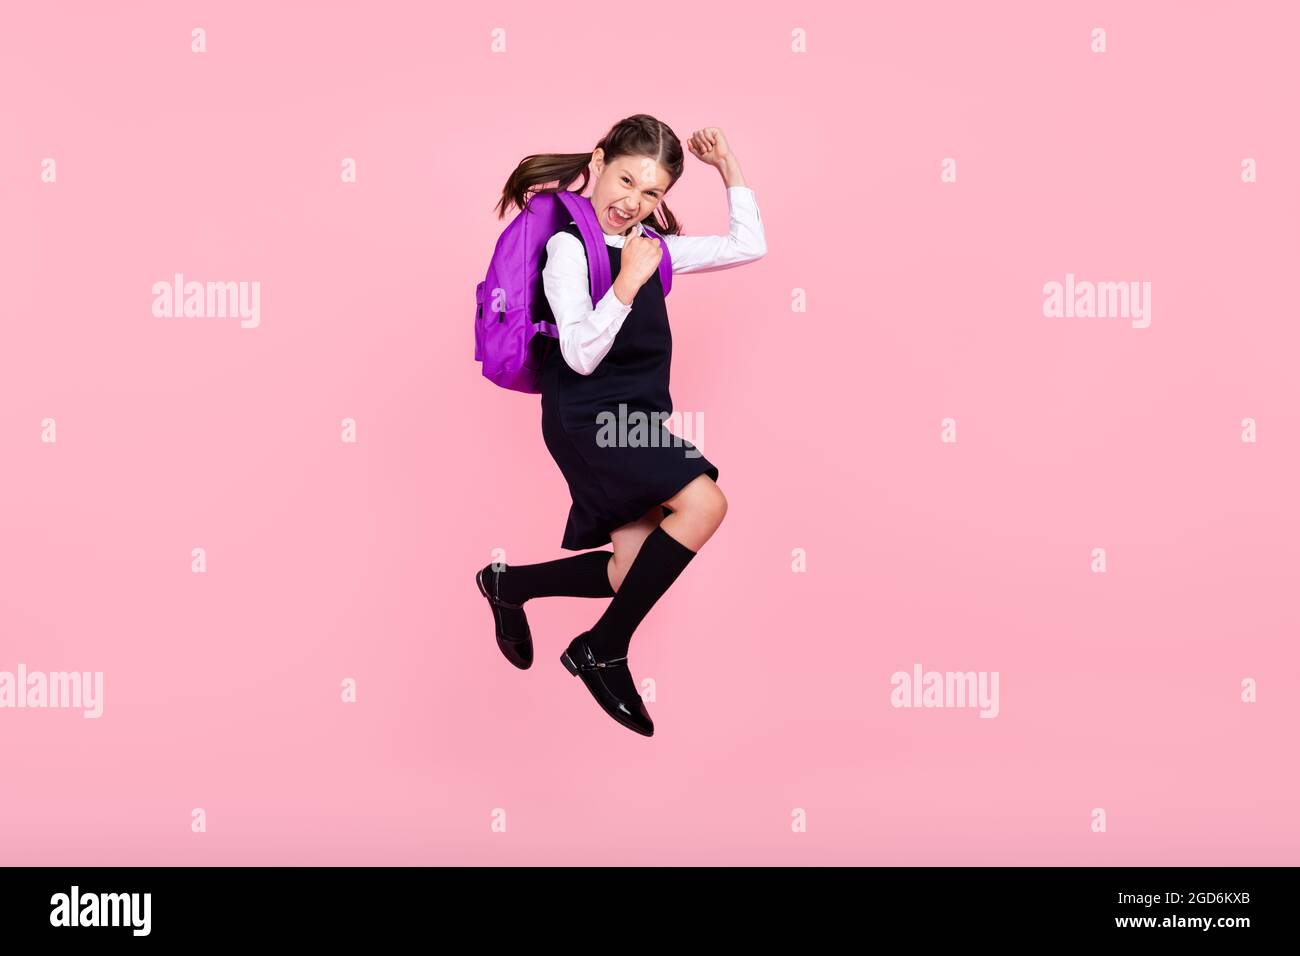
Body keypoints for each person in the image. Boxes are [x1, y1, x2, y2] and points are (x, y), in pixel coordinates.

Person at [476, 114, 767, 736]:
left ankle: (508, 584)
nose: (632, 201)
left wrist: (729, 168)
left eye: (653, 192)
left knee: (627, 570)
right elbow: (579, 353)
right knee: (704, 504)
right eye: (626, 180)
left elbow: (748, 246)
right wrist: (628, 283)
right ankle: (602, 651)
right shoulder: (567, 246)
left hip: (636, 417)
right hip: (587, 415)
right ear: (601, 160)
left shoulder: (650, 247)